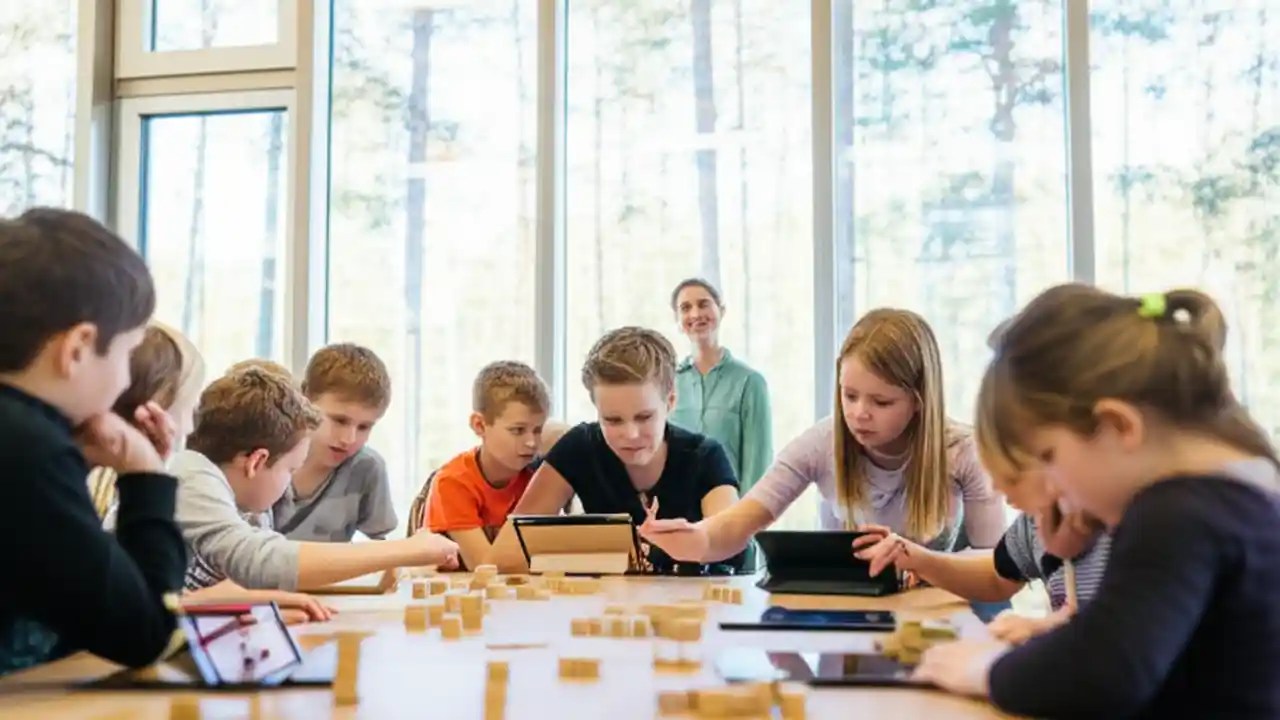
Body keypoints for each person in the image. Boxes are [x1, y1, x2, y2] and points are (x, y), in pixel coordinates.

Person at [914, 285, 1280, 719]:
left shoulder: (1177, 515)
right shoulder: (1245, 492)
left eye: (1049, 457)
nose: (1055, 488)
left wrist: (985, 670)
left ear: (1117, 426)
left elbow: (1103, 674)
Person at [639, 308, 1005, 564]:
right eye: (849, 395)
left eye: (881, 401)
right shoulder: (821, 442)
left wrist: (919, 563)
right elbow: (740, 520)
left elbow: (992, 564)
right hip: (852, 612)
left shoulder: (964, 452)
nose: (859, 412)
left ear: (920, 401)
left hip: (942, 616)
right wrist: (696, 539)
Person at [0, 208, 187, 676]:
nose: (125, 378)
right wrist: (145, 476)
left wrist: (78, 464)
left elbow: (64, 601)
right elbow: (144, 632)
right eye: (126, 352)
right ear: (78, 348)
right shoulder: (27, 448)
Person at [92, 323, 333, 624]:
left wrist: (249, 608)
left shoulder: (236, 500)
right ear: (152, 413)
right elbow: (149, 615)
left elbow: (168, 604)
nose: (191, 427)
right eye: (189, 408)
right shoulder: (188, 470)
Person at [173, 367, 459, 592]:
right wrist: (406, 550)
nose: (289, 484)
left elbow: (247, 585)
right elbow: (260, 563)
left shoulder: (250, 509)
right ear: (257, 461)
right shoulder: (192, 473)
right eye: (290, 470)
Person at [508, 327, 741, 572]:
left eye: (644, 417)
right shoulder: (578, 448)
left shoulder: (706, 456)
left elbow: (733, 546)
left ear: (670, 401)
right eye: (612, 420)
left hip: (695, 607)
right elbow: (506, 554)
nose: (631, 435)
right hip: (602, 606)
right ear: (596, 408)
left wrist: (696, 543)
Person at [424, 361, 551, 570]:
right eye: (518, 430)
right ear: (480, 425)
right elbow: (485, 567)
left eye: (537, 430)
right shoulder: (453, 481)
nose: (531, 442)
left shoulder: (539, 474)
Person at [272, 343, 397, 542]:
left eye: (364, 427)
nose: (349, 439)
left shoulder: (367, 468)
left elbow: (382, 546)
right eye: (339, 420)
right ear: (304, 398)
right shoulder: (263, 457)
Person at [669, 278, 772, 495]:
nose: (695, 314)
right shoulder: (668, 383)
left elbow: (758, 467)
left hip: (728, 513)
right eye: (685, 308)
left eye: (704, 304)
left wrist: (744, 522)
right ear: (677, 320)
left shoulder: (750, 383)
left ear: (721, 310)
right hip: (676, 511)